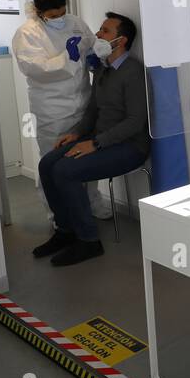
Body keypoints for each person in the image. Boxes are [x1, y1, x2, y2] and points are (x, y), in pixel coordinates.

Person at [32, 14, 150, 267]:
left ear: (122, 40)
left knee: (65, 170)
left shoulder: (133, 72)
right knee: (47, 165)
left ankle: (88, 241)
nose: (97, 34)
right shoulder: (104, 69)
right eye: (100, 29)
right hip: (101, 139)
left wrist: (95, 143)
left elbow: (135, 122)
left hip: (129, 146)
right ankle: (65, 231)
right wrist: (77, 133)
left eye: (105, 31)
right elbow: (93, 109)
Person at [10, 0, 101, 222]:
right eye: (53, 15)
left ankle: (93, 204)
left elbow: (90, 43)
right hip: (52, 109)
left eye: (62, 12)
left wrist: (95, 54)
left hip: (83, 101)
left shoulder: (75, 22)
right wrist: (68, 58)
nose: (60, 18)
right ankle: (58, 215)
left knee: (88, 159)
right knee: (53, 162)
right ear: (39, 12)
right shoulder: (28, 34)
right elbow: (37, 69)